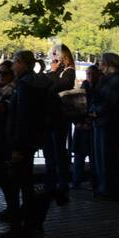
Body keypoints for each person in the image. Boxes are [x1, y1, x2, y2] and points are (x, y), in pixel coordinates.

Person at [0, 49, 52, 238]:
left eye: (15, 62)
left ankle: (19, 228)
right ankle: (32, 223)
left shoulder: (25, 85)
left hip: (21, 141)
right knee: (26, 183)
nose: (12, 66)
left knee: (17, 182)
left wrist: (17, 145)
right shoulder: (39, 82)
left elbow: (23, 117)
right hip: (33, 140)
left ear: (22, 63)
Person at [91, 52, 119, 201]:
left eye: (102, 63)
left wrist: (94, 112)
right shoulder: (116, 81)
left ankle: (108, 189)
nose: (100, 66)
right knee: (109, 158)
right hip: (111, 124)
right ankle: (109, 188)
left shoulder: (114, 82)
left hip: (109, 125)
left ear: (108, 64)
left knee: (106, 158)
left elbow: (108, 104)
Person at [43, 44, 76, 204]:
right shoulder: (59, 72)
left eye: (54, 54)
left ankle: (62, 186)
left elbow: (54, 87)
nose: (52, 57)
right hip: (50, 118)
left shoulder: (68, 72)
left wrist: (53, 72)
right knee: (50, 153)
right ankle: (51, 185)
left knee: (58, 152)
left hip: (59, 119)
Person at [0, 60, 17, 218]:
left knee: (9, 175)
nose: (0, 76)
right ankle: (11, 206)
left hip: (9, 138)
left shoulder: (13, 92)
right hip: (0, 136)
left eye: (4, 73)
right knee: (1, 173)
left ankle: (13, 208)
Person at [71, 64, 101, 189]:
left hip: (84, 128)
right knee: (86, 157)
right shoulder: (98, 89)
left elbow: (74, 108)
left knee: (83, 157)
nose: (90, 76)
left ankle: (79, 182)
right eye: (89, 74)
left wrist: (78, 123)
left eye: (92, 74)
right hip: (87, 127)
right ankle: (89, 183)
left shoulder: (83, 89)